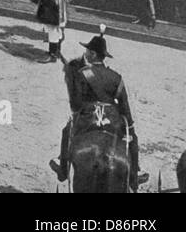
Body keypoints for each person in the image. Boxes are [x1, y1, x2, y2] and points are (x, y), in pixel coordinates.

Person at [50, 29, 146, 187]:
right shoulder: (116, 77)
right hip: (113, 121)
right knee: (132, 138)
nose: (86, 53)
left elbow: (76, 105)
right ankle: (134, 175)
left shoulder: (82, 74)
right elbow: (124, 106)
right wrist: (130, 125)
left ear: (93, 54)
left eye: (87, 50)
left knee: (66, 131)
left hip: (88, 118)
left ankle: (63, 168)